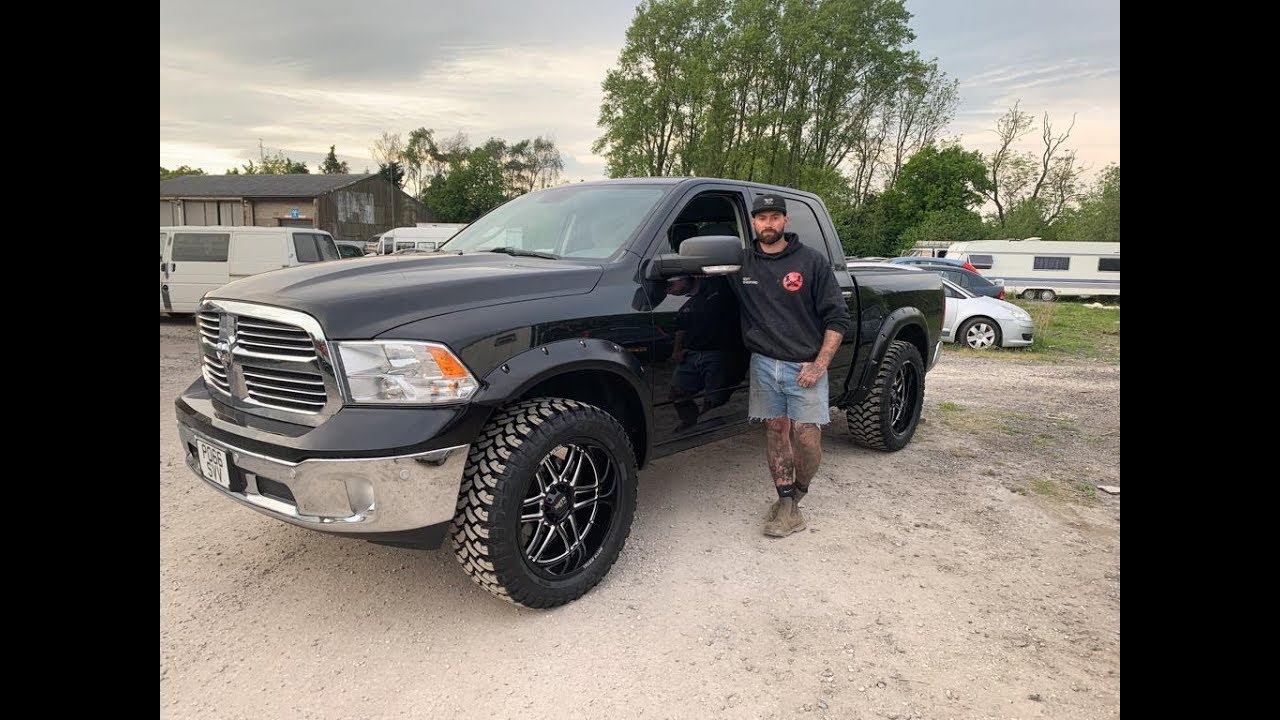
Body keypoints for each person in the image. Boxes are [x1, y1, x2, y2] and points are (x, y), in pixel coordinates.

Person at [733, 194, 851, 537]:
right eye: (761, 218)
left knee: (807, 435)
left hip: (804, 366)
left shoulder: (811, 262)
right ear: (753, 223)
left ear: (785, 221)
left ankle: (798, 494)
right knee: (775, 429)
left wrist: (819, 365)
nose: (768, 224)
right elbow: (703, 277)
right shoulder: (743, 263)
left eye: (774, 217)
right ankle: (785, 502)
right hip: (763, 364)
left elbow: (837, 318)